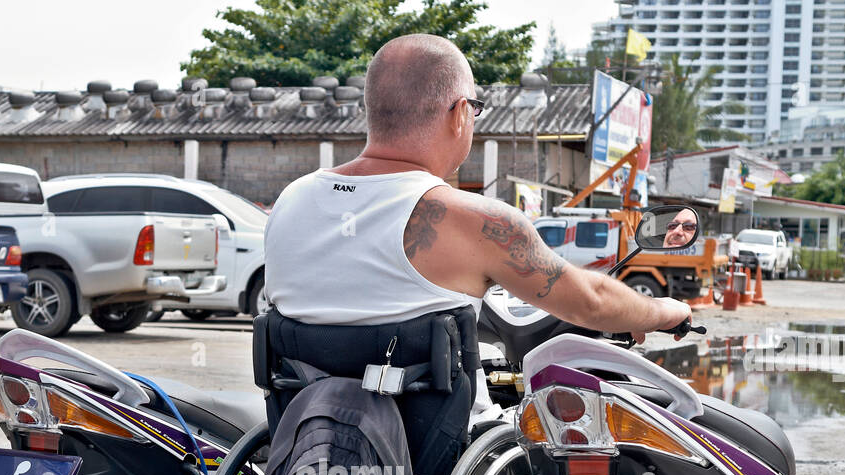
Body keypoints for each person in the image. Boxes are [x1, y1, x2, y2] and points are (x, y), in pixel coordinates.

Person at [263, 33, 693, 343]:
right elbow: (591, 302)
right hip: (441, 456)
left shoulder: (292, 198)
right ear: (461, 113)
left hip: (302, 434)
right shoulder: (477, 221)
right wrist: (666, 311)